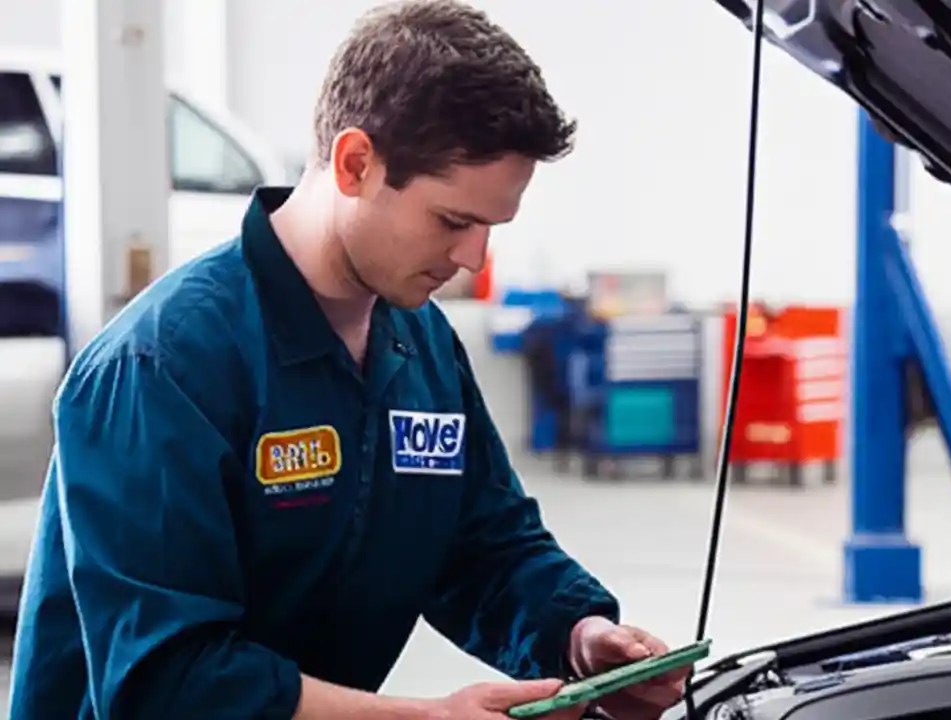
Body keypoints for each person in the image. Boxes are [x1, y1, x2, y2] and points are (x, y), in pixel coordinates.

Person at [7, 2, 690, 718]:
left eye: (491, 227)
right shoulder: (162, 367)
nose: (473, 260)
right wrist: (424, 718)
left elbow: (481, 542)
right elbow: (165, 677)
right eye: (453, 221)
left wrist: (579, 634)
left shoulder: (419, 345)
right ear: (356, 163)